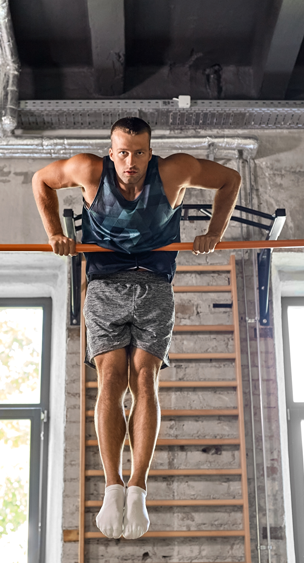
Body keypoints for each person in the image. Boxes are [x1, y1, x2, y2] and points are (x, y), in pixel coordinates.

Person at [31, 117, 241, 539]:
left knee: (145, 381)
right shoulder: (90, 170)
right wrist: (54, 232)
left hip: (155, 285)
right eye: (123, 153)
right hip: (105, 286)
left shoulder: (174, 170)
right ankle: (112, 486)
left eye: (139, 153)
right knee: (111, 379)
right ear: (111, 152)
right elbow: (41, 180)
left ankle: (138, 487)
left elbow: (230, 179)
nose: (131, 162)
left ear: (151, 151)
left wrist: (214, 233)